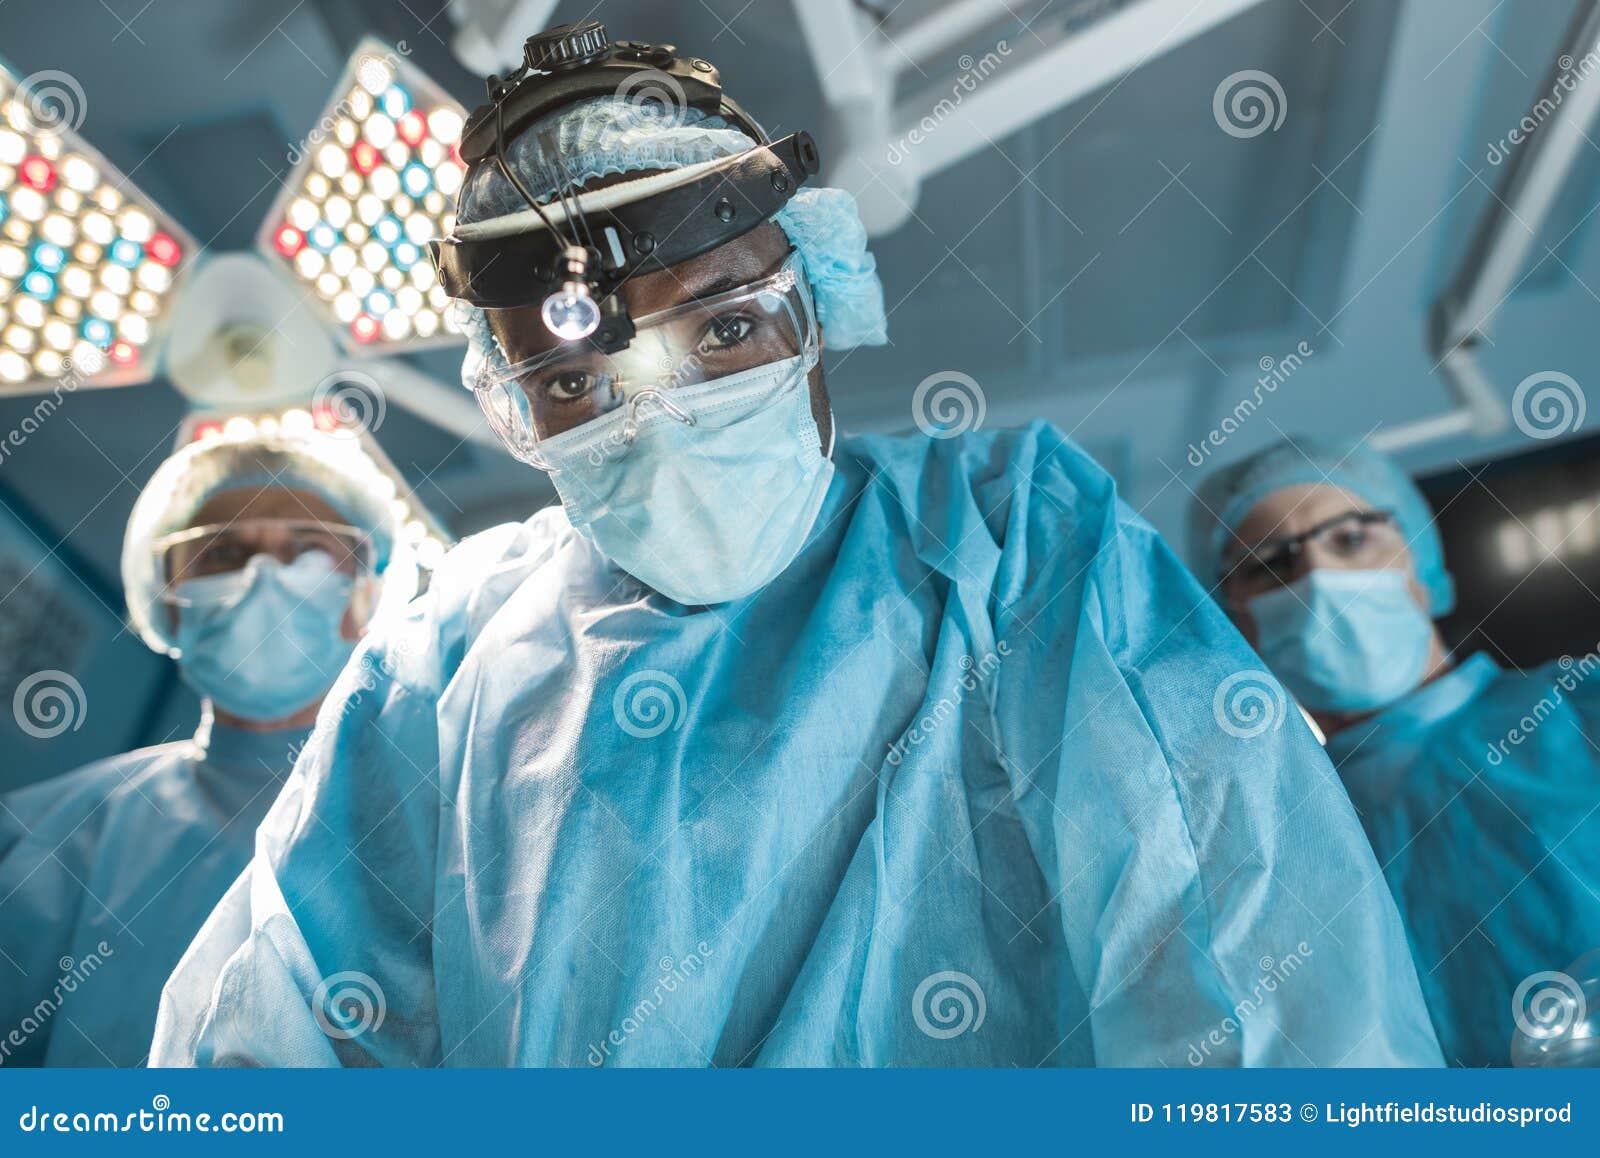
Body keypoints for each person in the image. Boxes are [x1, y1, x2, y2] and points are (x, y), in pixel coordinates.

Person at [151, 26, 1439, 1068]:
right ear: (514, 407)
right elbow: (272, 1039)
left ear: (821, 306)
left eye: (722, 333)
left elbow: (1241, 962)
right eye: (576, 382)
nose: (657, 421)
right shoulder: (449, 653)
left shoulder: (1006, 537)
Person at [1189, 434, 1600, 1066]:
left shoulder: (1580, 704)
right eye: (1270, 567)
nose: (1319, 577)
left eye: (1351, 538)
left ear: (1421, 566)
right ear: (1236, 624)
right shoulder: (1274, 843)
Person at [0, 428, 398, 1067]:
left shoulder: (434, 800)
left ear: (365, 594)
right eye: (223, 554)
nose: (262, 577)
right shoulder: (46, 833)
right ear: (169, 601)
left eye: (307, 552)